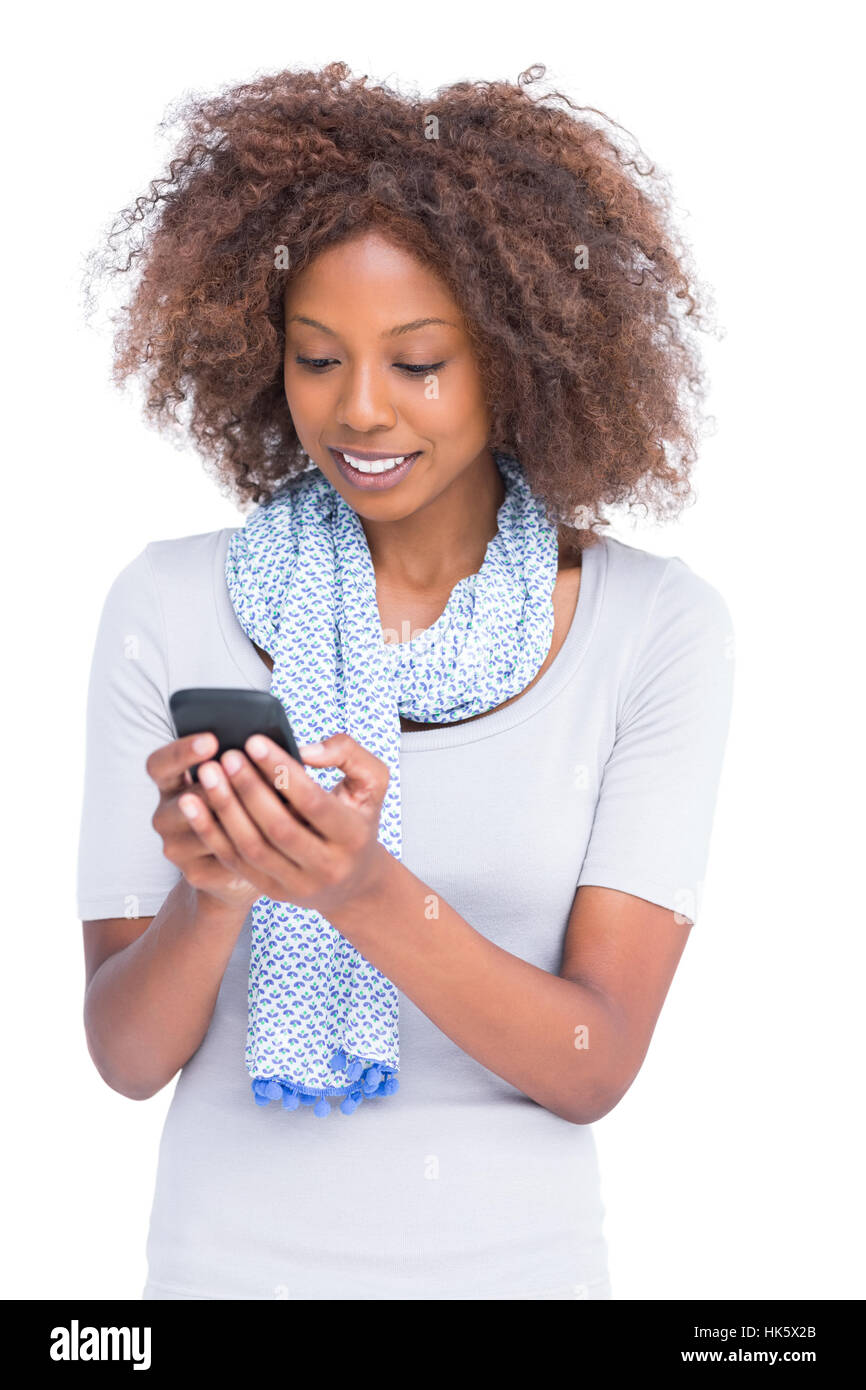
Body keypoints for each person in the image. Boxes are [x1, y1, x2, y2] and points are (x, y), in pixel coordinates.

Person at [76, 62, 735, 1300]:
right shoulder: (164, 604)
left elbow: (592, 1061)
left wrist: (360, 887)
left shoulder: (653, 629)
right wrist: (216, 893)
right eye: (317, 358)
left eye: (418, 362)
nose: (358, 413)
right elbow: (124, 1053)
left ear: (523, 357)